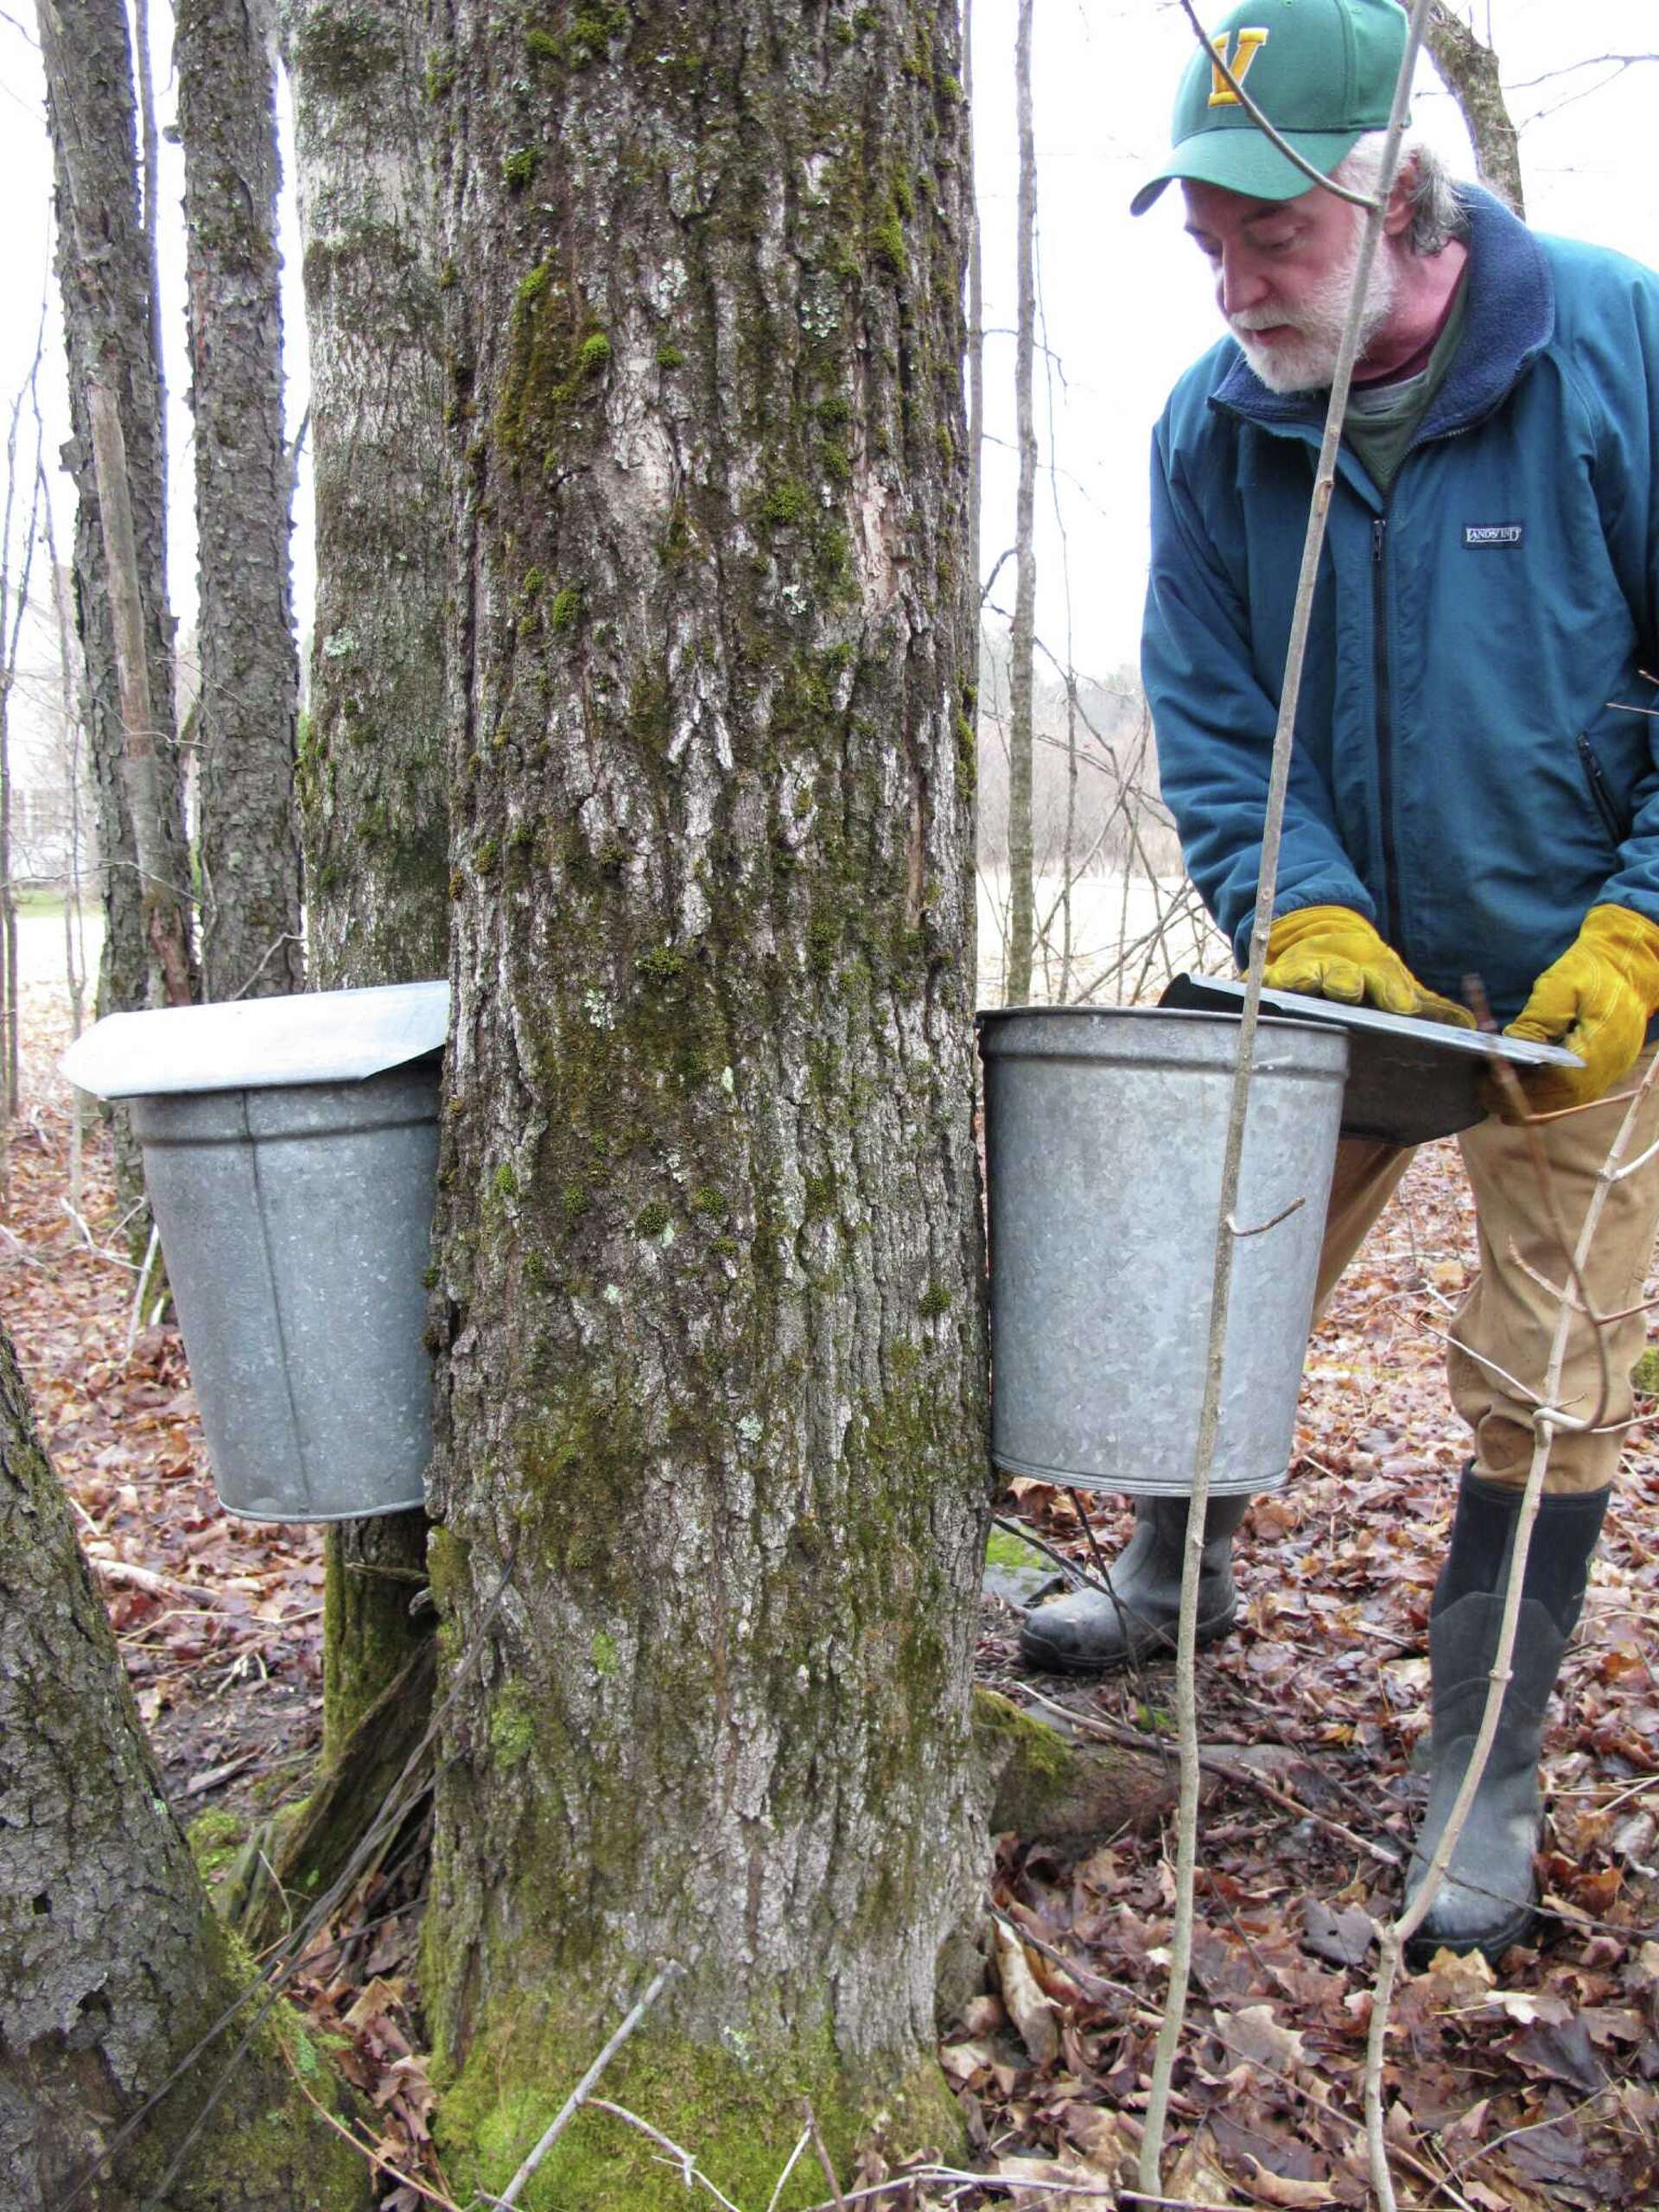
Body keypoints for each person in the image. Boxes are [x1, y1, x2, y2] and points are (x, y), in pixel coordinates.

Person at [1018, 0, 1659, 1964]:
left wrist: (1640, 928)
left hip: (1586, 986)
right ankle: (1166, 1569)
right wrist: (1296, 913)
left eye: (1271, 239)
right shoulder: (1216, 429)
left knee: (1549, 1376)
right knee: (1210, 1257)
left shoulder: (1617, 350)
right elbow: (1212, 720)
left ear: (1402, 201)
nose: (1234, 284)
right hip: (1353, 979)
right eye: (1206, 242)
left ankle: (1485, 1767)